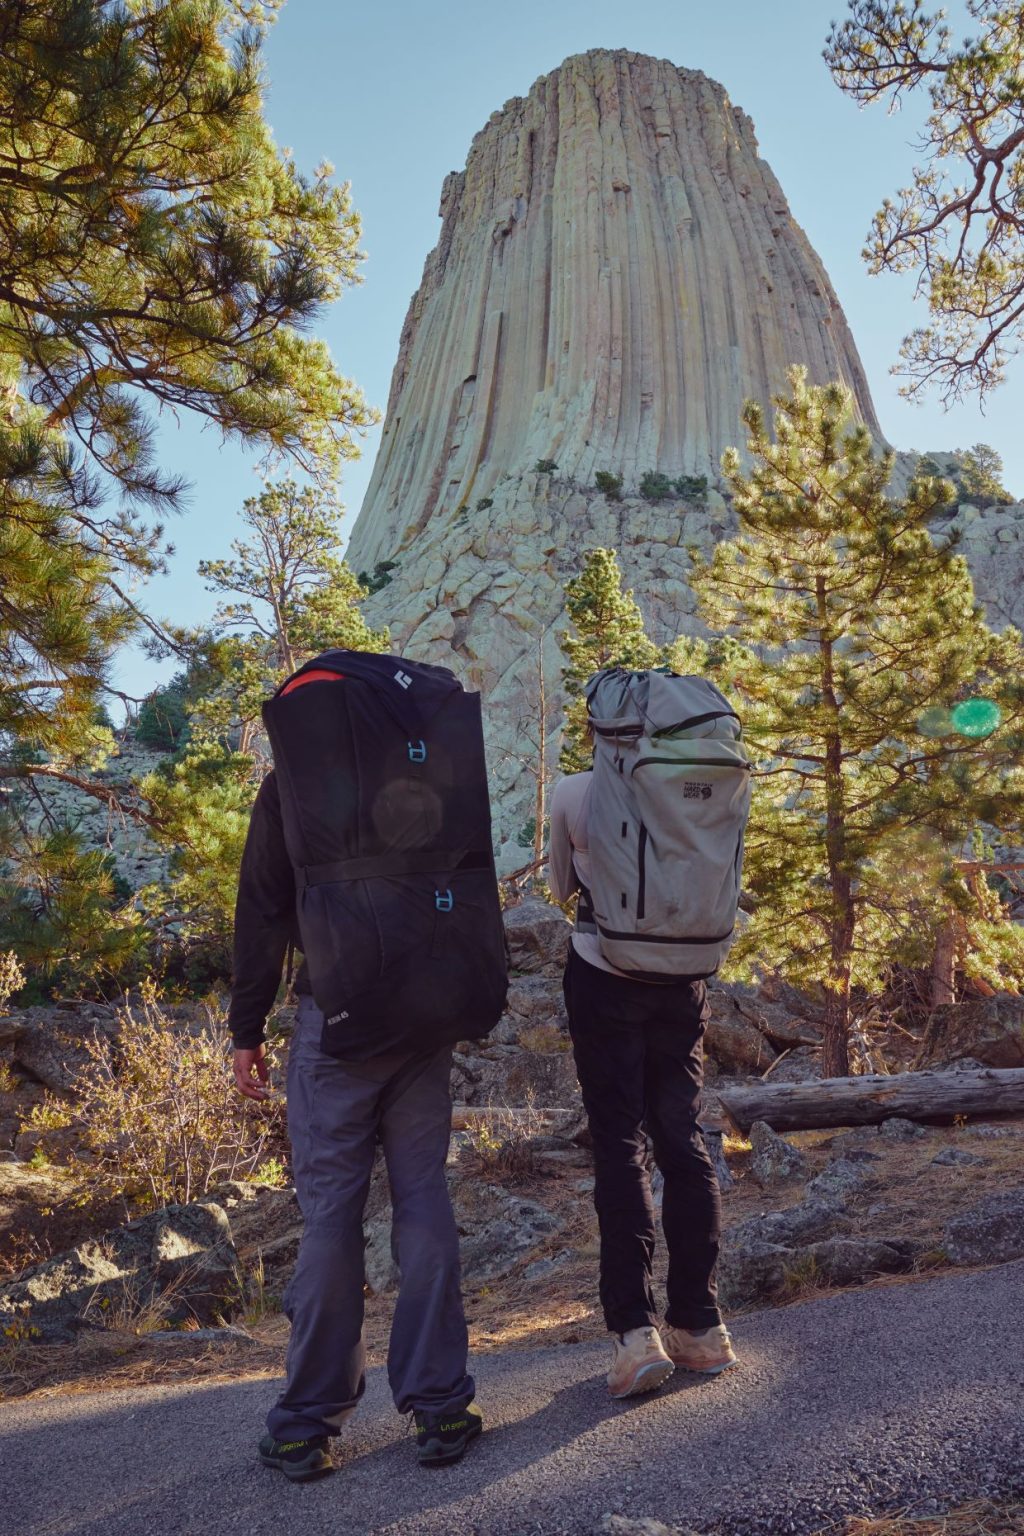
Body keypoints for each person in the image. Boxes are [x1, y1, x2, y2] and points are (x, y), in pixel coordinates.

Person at [230, 761, 481, 1482]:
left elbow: (263, 905)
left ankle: (306, 1424)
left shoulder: (293, 780)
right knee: (423, 1196)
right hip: (423, 1013)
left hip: (333, 1020)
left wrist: (247, 1025)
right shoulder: (425, 762)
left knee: (332, 1215)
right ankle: (441, 1407)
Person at [547, 749, 737, 1399]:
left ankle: (635, 1336)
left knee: (620, 1145)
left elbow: (558, 890)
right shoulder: (701, 786)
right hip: (683, 979)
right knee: (682, 1138)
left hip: (604, 976)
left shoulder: (575, 790)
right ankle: (701, 1327)